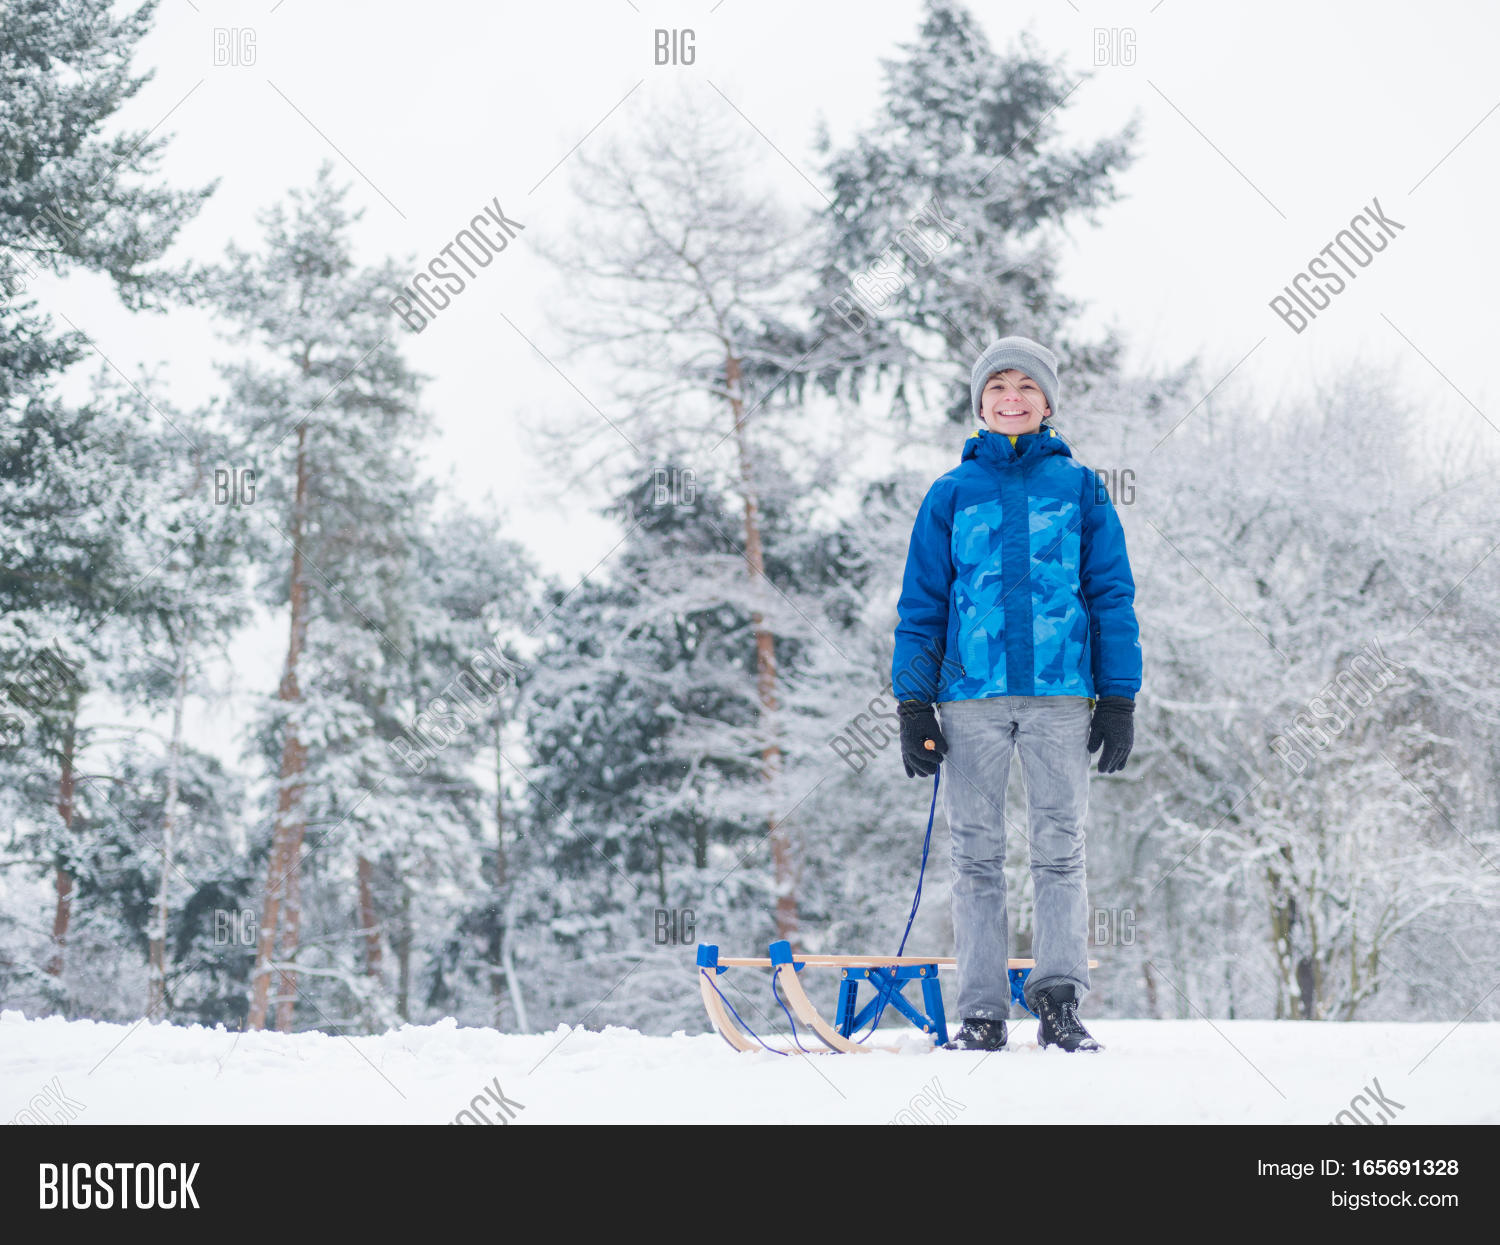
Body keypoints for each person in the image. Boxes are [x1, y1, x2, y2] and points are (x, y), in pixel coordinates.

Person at [891, 336, 1141, 1053]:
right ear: (980, 405)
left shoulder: (1082, 490)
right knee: (974, 855)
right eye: (998, 387)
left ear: (1047, 403)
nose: (1012, 399)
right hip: (968, 699)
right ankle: (982, 1011)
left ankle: (1059, 1001)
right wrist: (914, 704)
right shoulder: (950, 494)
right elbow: (923, 605)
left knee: (1059, 850)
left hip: (1062, 697)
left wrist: (1118, 695)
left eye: (1025, 388)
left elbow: (1111, 595)